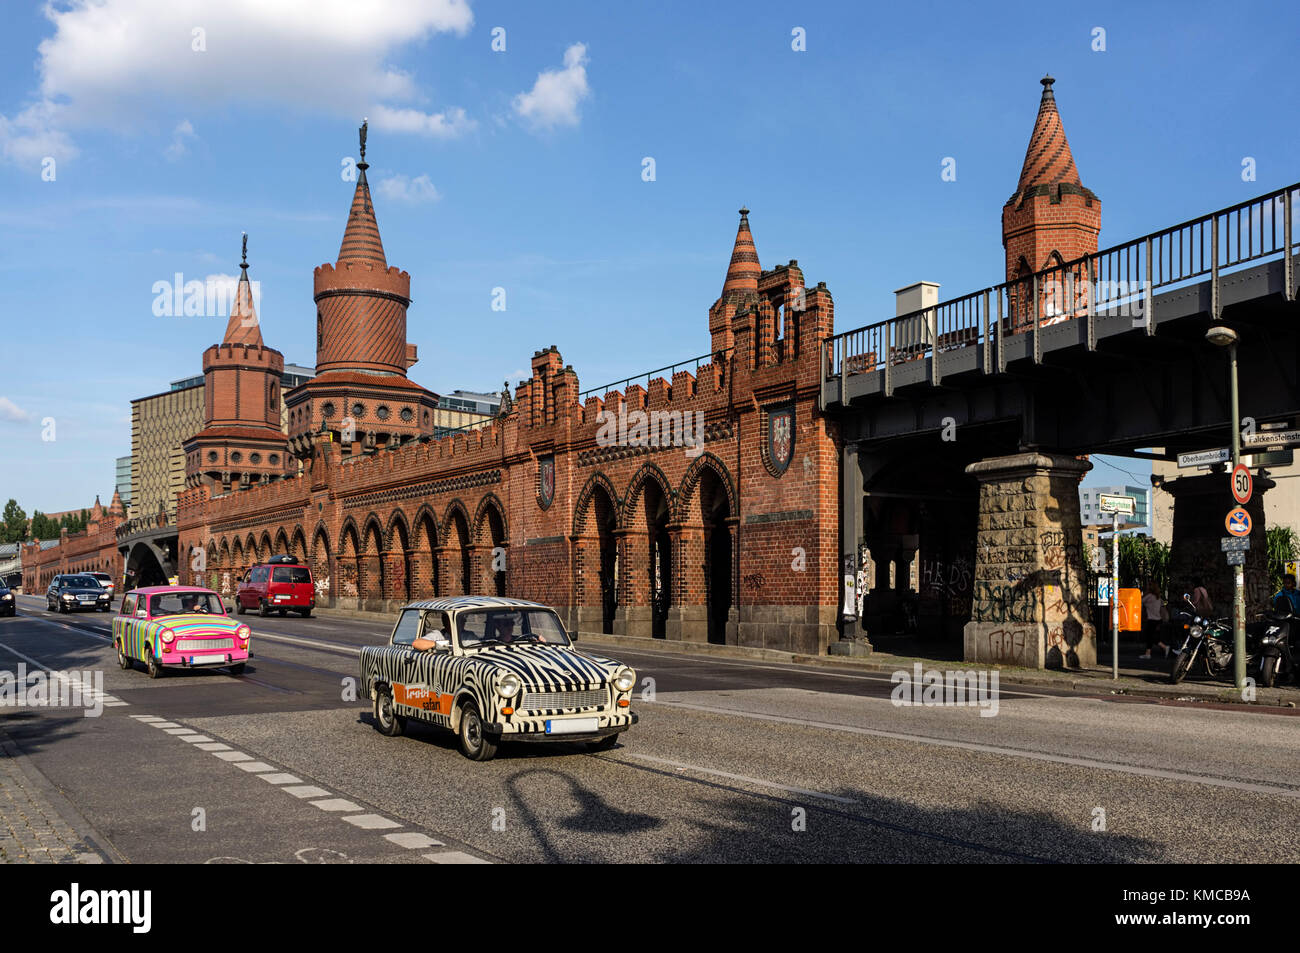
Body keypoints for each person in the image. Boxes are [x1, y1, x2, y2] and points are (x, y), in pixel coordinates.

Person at [1139, 583, 1170, 659]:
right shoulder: (1158, 597)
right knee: (1151, 636)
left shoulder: (1149, 597)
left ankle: (1164, 647)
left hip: (1151, 619)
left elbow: (1140, 601)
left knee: (1149, 636)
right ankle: (1149, 653)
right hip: (1158, 619)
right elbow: (1162, 605)